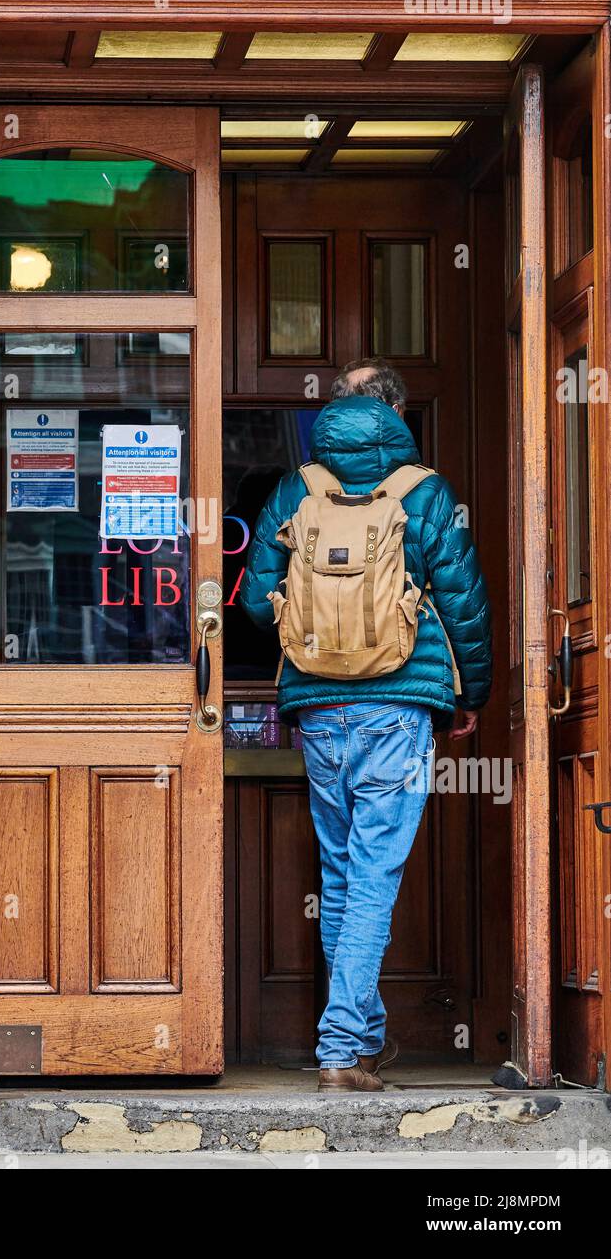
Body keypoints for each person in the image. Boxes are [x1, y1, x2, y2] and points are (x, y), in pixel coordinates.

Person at [240, 358, 492, 1092]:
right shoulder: (424, 491)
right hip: (400, 708)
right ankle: (342, 1051)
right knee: (374, 877)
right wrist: (467, 693)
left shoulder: (297, 488)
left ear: (336, 413)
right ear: (396, 415)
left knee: (344, 873)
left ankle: (359, 1037)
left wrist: (311, 633)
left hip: (317, 708)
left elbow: (256, 603)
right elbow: (462, 605)